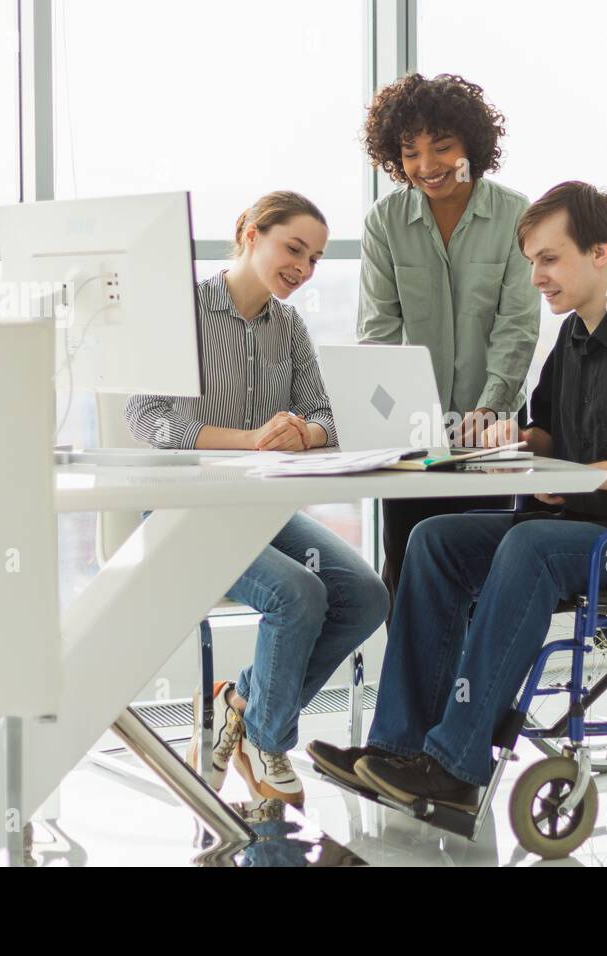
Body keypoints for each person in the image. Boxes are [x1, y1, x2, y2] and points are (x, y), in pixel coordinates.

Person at [309, 181, 607, 809]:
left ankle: (456, 766)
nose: (536, 276)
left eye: (549, 258)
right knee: (434, 540)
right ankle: (399, 746)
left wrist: (583, 478)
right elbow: (549, 434)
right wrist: (509, 440)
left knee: (529, 546)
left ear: (601, 252)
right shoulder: (575, 340)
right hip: (582, 529)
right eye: (531, 260)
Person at [126, 191, 388, 807]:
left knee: (366, 597)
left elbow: (326, 416)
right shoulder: (183, 310)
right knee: (298, 595)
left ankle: (239, 703)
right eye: (293, 248)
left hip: (261, 513)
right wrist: (247, 441)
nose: (303, 267)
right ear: (249, 232)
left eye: (316, 258)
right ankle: (267, 741)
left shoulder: (289, 325)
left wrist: (307, 433)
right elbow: (145, 415)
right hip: (184, 514)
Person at [357, 72, 541, 613]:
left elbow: (517, 325)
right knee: (407, 568)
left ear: (472, 149)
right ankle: (414, 695)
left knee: (485, 569)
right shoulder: (385, 221)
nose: (427, 166)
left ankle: (478, 695)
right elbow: (378, 332)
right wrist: (385, 420)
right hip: (413, 432)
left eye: (441, 148)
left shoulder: (513, 214)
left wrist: (490, 407)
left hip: (494, 421)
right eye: (410, 153)